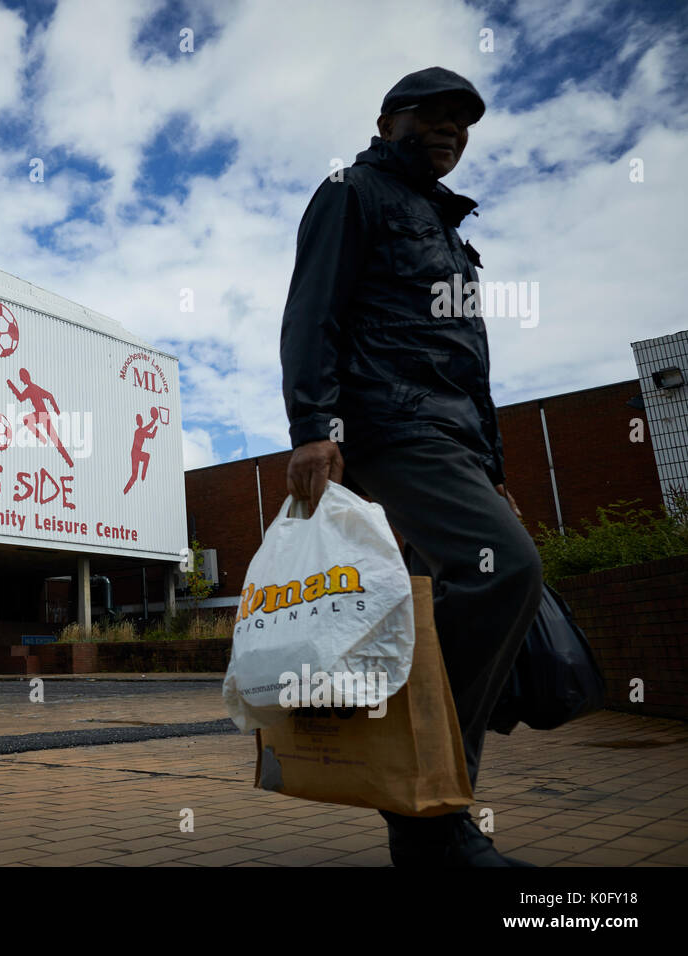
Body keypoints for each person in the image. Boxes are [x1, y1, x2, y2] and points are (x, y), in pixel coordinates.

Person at [279, 67, 544, 867]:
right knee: (503, 573)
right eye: (434, 115)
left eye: (463, 124)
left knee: (434, 612)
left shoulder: (448, 226)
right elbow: (312, 311)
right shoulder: (351, 191)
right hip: (393, 425)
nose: (451, 132)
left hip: (451, 435)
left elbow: (468, 360)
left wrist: (491, 464)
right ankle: (428, 813)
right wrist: (315, 425)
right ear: (390, 119)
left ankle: (427, 805)